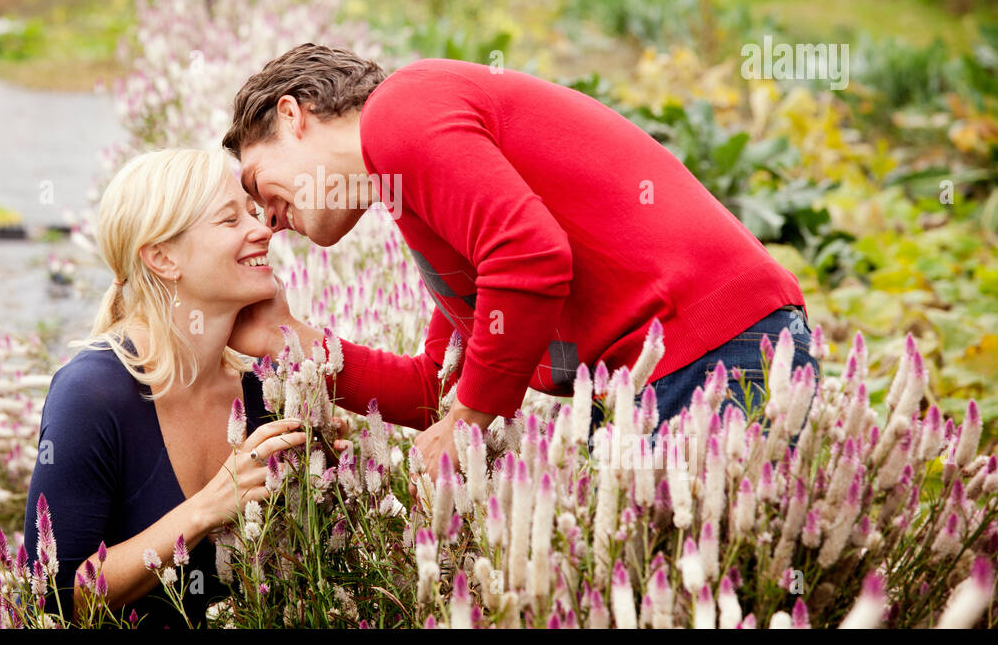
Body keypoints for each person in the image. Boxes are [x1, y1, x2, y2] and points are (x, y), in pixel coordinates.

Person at [222, 45, 821, 480]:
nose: (267, 222)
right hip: (666, 371)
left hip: (712, 350)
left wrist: (470, 422)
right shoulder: (417, 192)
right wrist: (291, 341)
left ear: (293, 115)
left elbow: (529, 256)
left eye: (257, 181)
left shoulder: (400, 111)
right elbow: (440, 385)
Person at [23, 147, 345, 627]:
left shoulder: (266, 389)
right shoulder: (92, 394)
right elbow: (57, 598)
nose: (263, 230)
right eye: (230, 220)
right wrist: (207, 509)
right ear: (162, 257)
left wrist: (324, 484)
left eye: (254, 214)